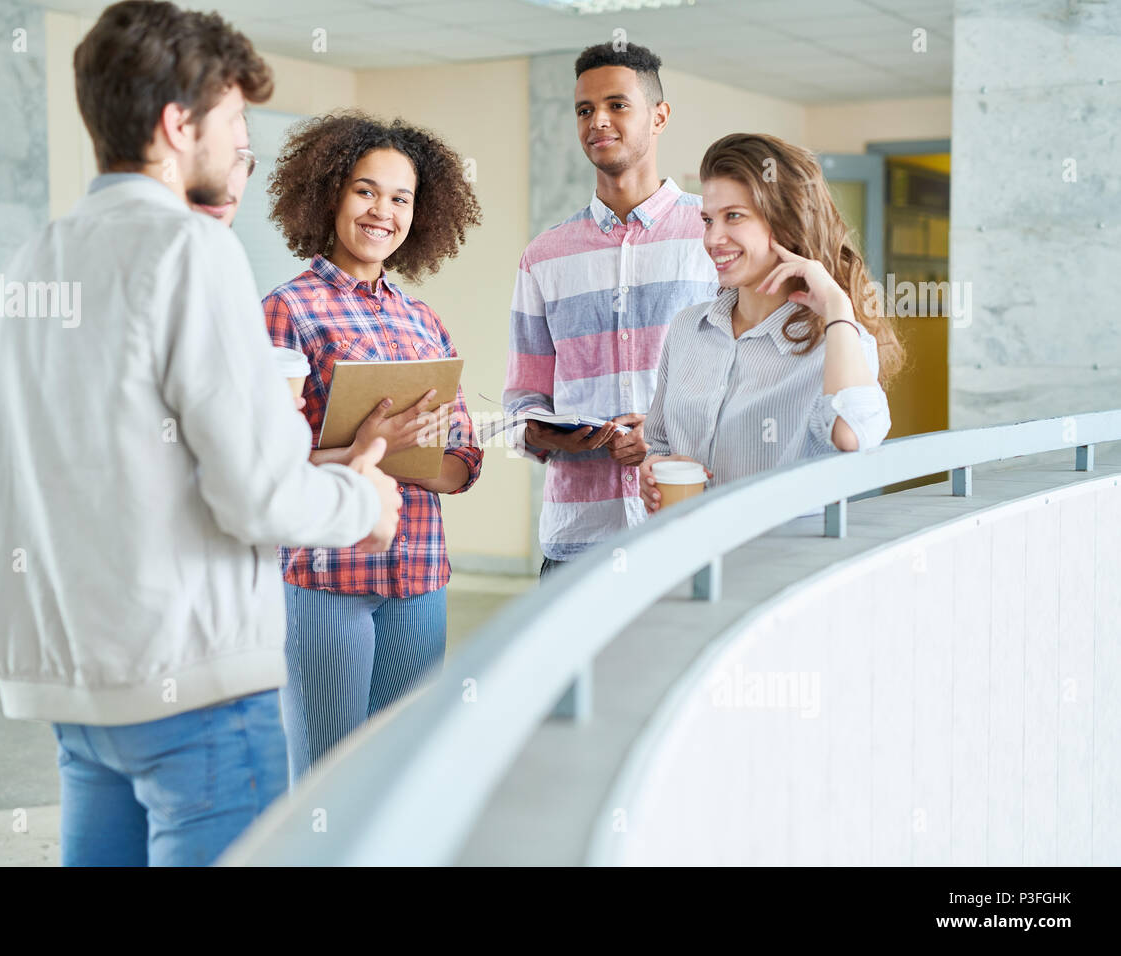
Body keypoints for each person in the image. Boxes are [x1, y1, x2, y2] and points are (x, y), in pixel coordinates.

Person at [0, 0, 401, 867]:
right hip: (194, 692)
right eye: (233, 123)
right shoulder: (190, 252)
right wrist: (364, 498)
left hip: (77, 689)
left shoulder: (27, 264)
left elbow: (22, 472)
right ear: (177, 125)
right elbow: (258, 494)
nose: (243, 147)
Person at [262, 111, 484, 780]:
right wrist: (369, 445)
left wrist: (404, 449)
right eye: (365, 190)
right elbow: (262, 459)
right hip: (325, 576)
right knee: (329, 777)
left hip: (419, 574)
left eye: (400, 197)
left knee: (403, 771)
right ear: (329, 192)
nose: (382, 211)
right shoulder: (286, 310)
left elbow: (460, 462)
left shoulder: (424, 321)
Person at [501, 42, 716, 577]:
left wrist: (666, 432)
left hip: (684, 525)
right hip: (577, 540)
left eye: (618, 105)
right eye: (584, 109)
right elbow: (521, 401)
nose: (598, 120)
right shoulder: (544, 257)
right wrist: (540, 431)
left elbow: (745, 382)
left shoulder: (713, 235)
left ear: (659, 116)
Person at [639, 132, 905, 513]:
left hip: (780, 564)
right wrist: (653, 472)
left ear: (785, 223)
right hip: (688, 560)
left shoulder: (837, 340)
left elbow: (854, 435)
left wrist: (836, 305)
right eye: (708, 219)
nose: (713, 238)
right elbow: (660, 444)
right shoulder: (687, 328)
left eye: (734, 216)